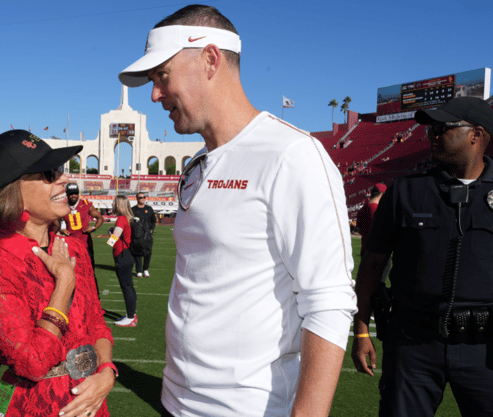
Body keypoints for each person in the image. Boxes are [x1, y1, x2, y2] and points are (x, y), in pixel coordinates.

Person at [119, 5, 356, 416]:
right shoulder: (197, 164)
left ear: (210, 59)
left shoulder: (291, 154)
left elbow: (329, 300)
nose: (155, 94)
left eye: (162, 76)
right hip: (178, 401)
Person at [352, 97, 493, 416]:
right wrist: (361, 329)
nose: (433, 134)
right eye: (431, 129)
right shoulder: (404, 192)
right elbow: (372, 264)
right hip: (413, 344)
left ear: (476, 135)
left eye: (443, 127)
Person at [0, 129, 115, 416]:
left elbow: (96, 322)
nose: (64, 179)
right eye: (48, 173)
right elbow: (31, 363)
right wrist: (64, 282)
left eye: (59, 169)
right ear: (13, 192)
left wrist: (107, 372)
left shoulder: (73, 246)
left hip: (90, 400)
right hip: (34, 406)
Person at [59, 182, 104, 281]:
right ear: (67, 194)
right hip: (70, 245)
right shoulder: (62, 206)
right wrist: (61, 228)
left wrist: (94, 228)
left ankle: (95, 295)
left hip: (85, 244)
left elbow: (100, 218)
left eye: (75, 193)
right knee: (73, 274)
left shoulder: (86, 204)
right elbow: (54, 221)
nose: (73, 195)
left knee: (90, 272)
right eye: (71, 193)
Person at [108, 195, 137, 327]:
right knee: (129, 287)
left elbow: (113, 240)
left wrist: (110, 235)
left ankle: (130, 316)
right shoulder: (127, 218)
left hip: (122, 255)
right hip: (127, 254)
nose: (112, 205)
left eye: (114, 203)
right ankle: (131, 314)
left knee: (126, 287)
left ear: (118, 205)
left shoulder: (121, 219)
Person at [130, 192, 155, 278]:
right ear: (136, 198)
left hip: (148, 235)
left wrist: (151, 230)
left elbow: (153, 221)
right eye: (140, 197)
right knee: (138, 253)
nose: (142, 199)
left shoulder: (149, 209)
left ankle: (146, 269)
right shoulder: (133, 209)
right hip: (137, 235)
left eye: (144, 197)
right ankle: (139, 271)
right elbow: (130, 221)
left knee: (148, 252)